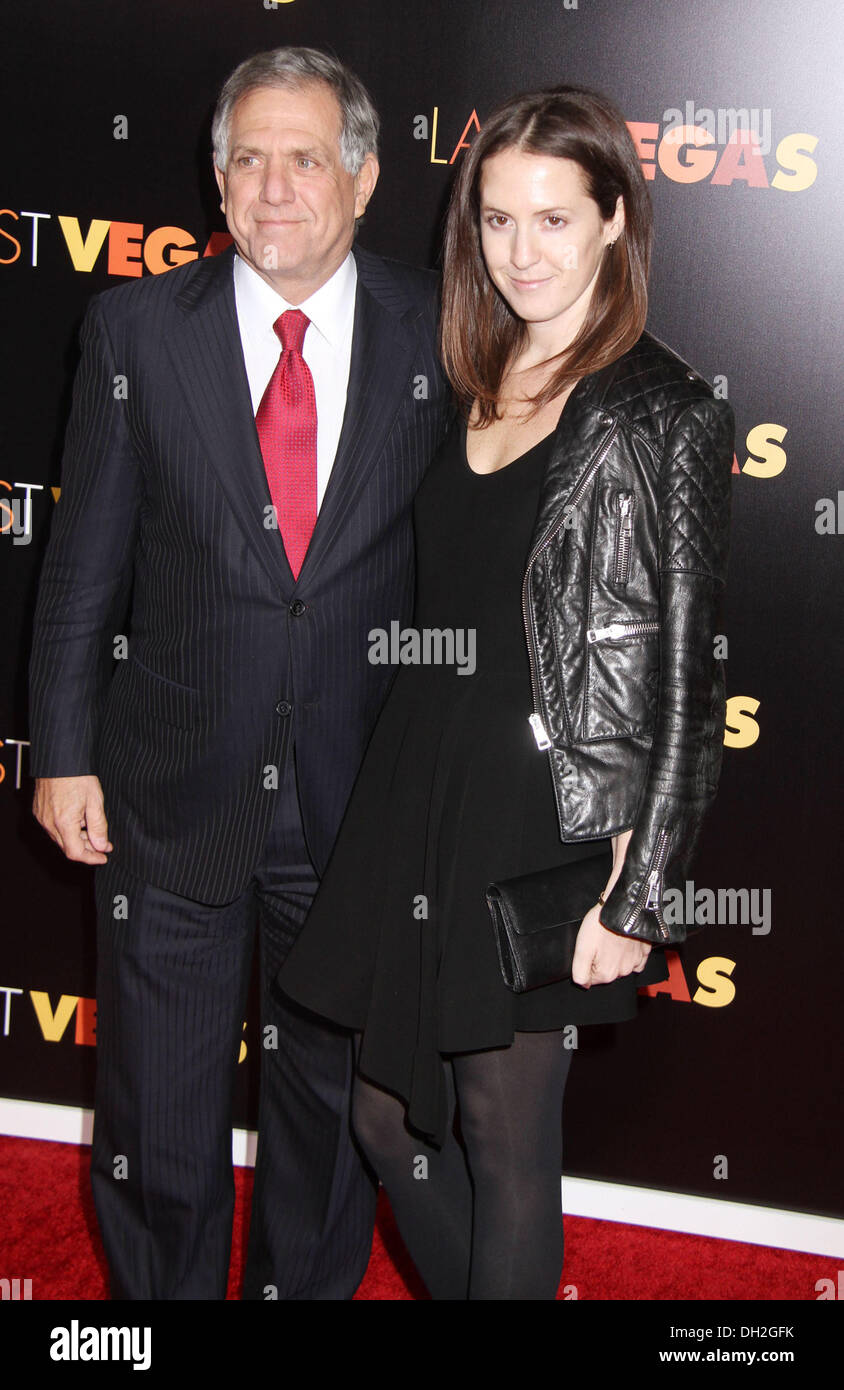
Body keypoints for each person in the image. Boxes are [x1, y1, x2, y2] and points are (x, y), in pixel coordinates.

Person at [278, 85, 734, 1300]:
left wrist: (638, 891)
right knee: (384, 1113)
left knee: (504, 1133)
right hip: (418, 781)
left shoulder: (662, 411)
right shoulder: (475, 370)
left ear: (611, 224)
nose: (520, 253)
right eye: (494, 222)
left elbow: (687, 680)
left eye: (552, 220)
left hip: (542, 807)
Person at [28, 46, 450, 1299]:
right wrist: (60, 747)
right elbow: (82, 559)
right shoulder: (135, 328)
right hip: (167, 793)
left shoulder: (440, 324)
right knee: (156, 1118)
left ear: (363, 178)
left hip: (359, 800)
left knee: (326, 1128)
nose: (274, 188)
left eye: (304, 158)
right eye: (246, 159)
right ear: (216, 183)